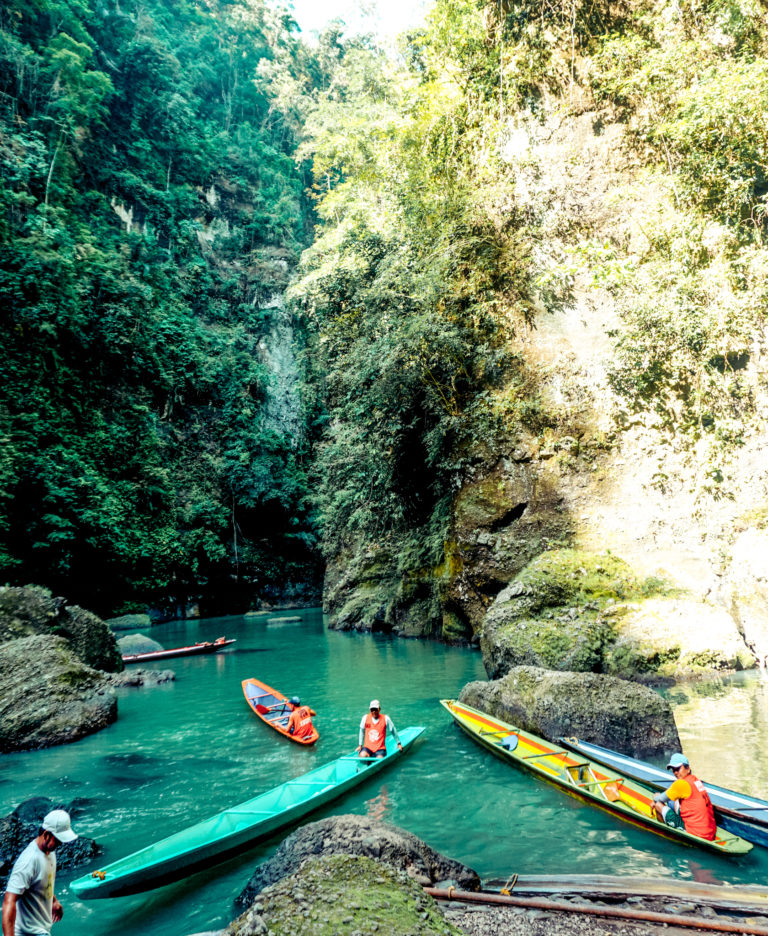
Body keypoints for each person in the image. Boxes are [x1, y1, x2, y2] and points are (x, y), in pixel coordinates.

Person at [2, 809, 78, 936]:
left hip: (42, 929)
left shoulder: (50, 852)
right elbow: (8, 902)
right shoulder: (28, 861)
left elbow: (41, 882)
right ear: (47, 835)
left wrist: (53, 901)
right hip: (28, 933)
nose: (60, 844)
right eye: (58, 840)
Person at [652, 753, 716, 840]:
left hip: (696, 832)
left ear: (688, 768)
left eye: (678, 768)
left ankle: (663, 835)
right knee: (676, 800)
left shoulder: (681, 783)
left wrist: (655, 797)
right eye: (673, 770)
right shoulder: (696, 780)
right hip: (710, 831)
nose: (675, 772)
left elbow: (660, 799)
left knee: (658, 805)